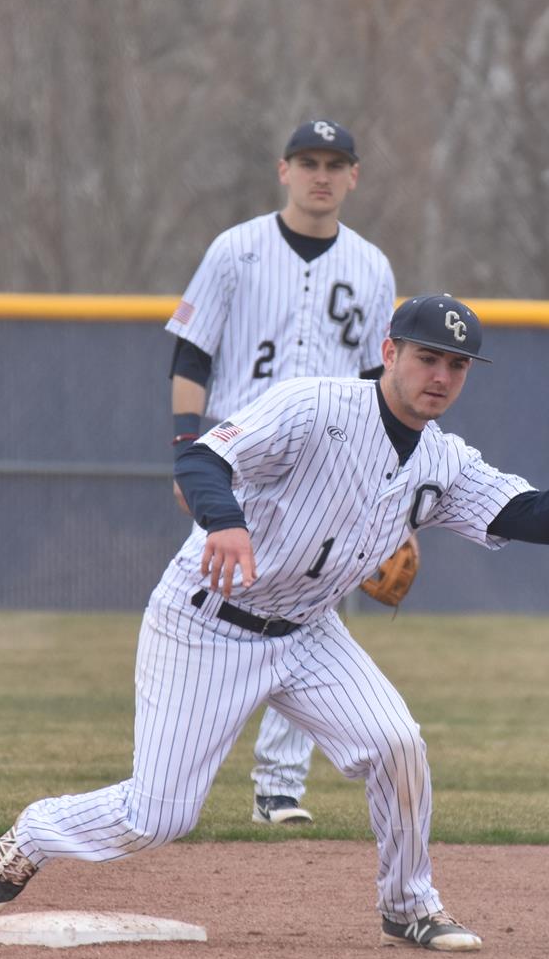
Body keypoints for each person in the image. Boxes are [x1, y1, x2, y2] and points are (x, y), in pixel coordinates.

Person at [0, 294, 549, 951]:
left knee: (398, 743)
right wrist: (224, 522)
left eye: (456, 365)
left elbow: (541, 519)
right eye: (427, 357)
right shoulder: (315, 405)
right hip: (208, 620)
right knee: (156, 816)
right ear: (391, 349)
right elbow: (202, 455)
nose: (440, 375)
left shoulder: (443, 459)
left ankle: (409, 905)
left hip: (309, 630)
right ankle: (32, 834)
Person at [165, 119, 396, 828]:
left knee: (313, 604)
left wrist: (379, 475)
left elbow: (375, 377)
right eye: (308, 161)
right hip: (238, 448)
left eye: (334, 163)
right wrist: (186, 449)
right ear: (283, 169)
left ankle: (279, 786)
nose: (320, 174)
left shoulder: (373, 266)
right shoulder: (235, 250)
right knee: (209, 599)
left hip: (329, 458)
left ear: (353, 176)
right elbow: (191, 353)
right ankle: (173, 768)